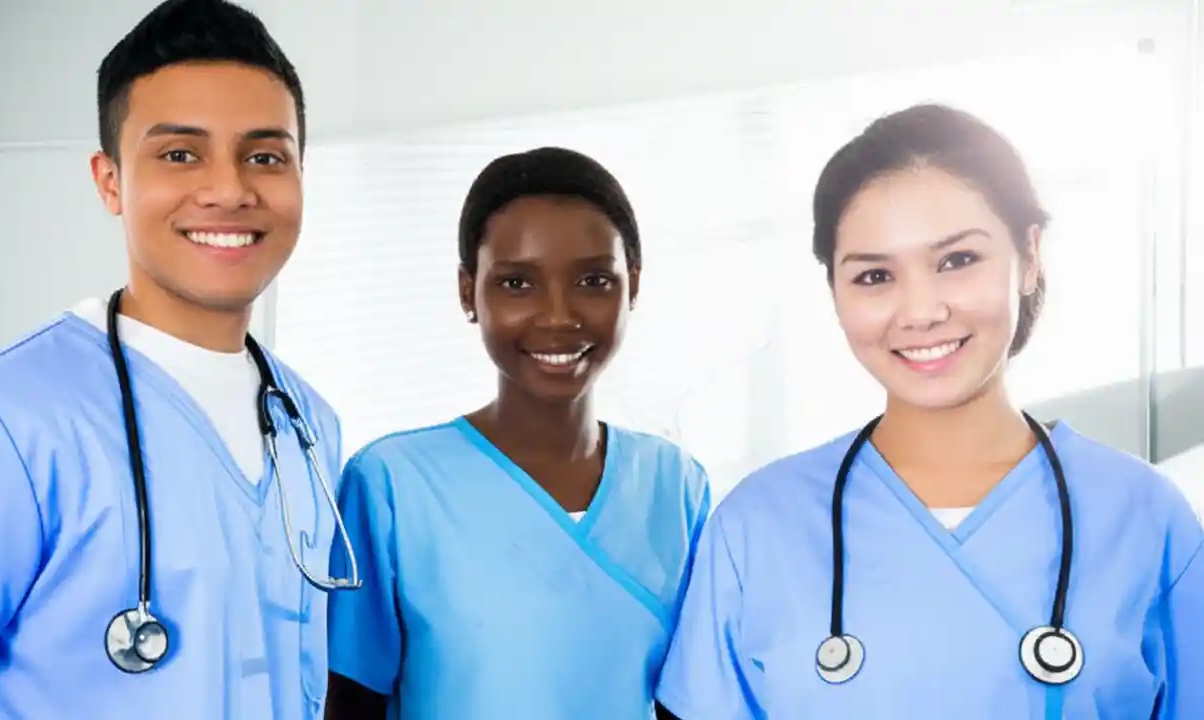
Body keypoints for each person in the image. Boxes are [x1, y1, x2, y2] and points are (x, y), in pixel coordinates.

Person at [654, 104, 1204, 719]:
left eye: (958, 261)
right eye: (874, 276)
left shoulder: (1143, 516)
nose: (920, 311)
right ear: (834, 292)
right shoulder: (758, 526)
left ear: (1029, 256)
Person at [0, 1, 356, 718]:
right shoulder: (1, 423)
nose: (230, 189)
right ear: (110, 181)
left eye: (265, 156)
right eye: (180, 154)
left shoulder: (311, 425)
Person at [323, 147, 712, 719]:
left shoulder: (674, 485)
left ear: (632, 285)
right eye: (517, 283)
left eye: (593, 280)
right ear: (468, 292)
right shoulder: (393, 484)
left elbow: (693, 701)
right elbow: (350, 703)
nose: (558, 316)